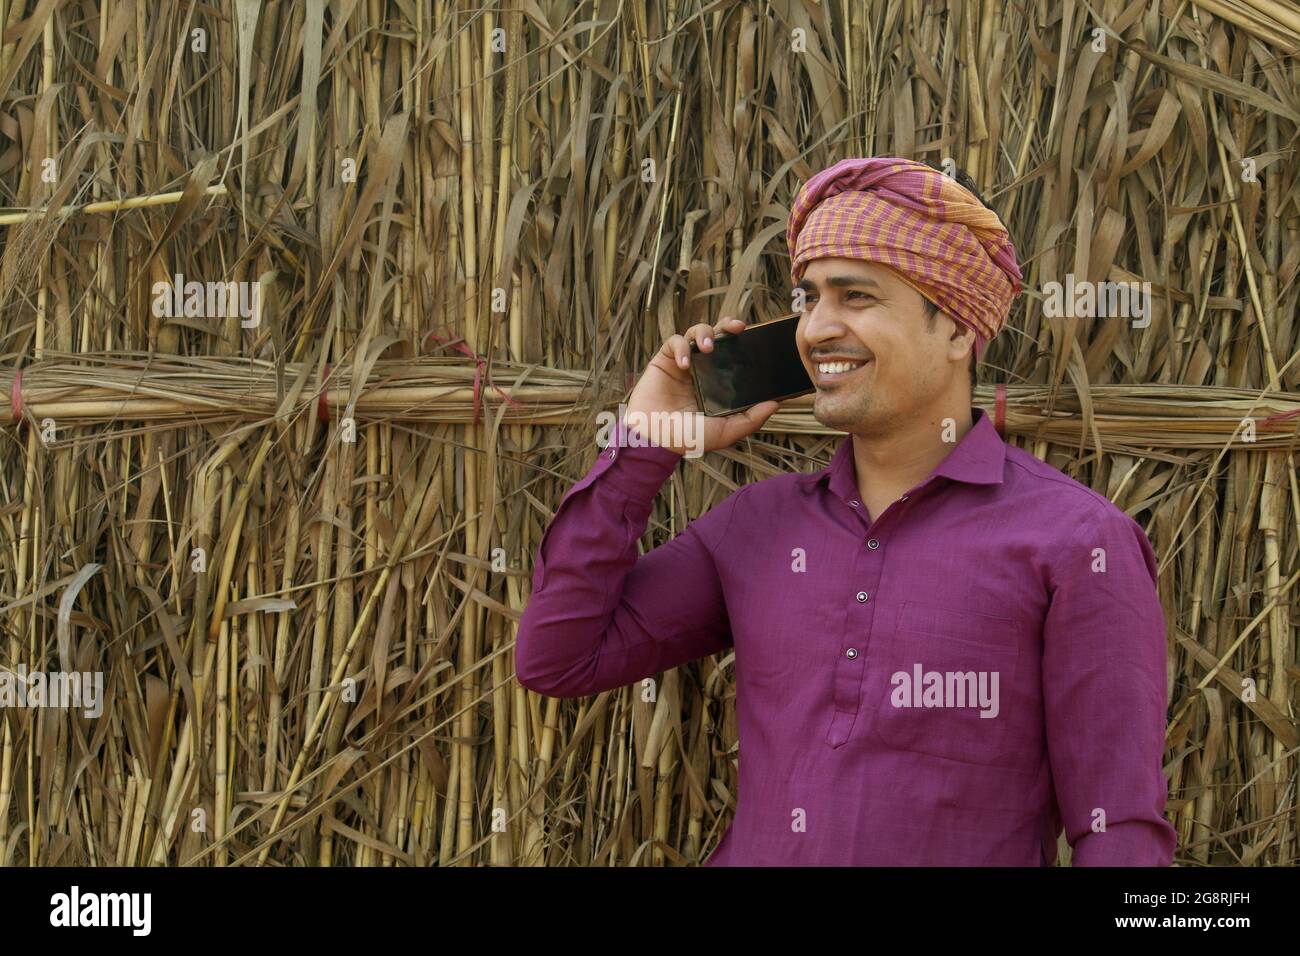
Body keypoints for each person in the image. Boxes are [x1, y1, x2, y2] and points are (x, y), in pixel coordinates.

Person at [515, 157, 1177, 866]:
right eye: (808, 298)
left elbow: (1119, 832)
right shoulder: (759, 526)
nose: (816, 329)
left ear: (956, 331)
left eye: (856, 297)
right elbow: (558, 658)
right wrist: (647, 444)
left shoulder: (1077, 542)